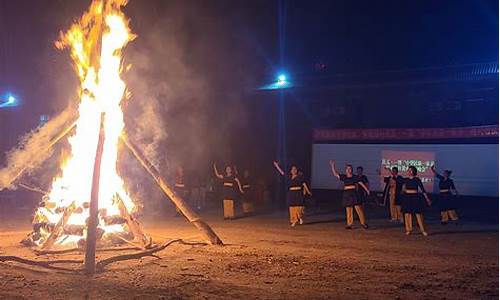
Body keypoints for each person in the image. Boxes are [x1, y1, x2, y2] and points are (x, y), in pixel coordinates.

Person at [330, 161, 369, 230]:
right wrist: (333, 166)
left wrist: (367, 190)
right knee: (348, 209)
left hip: (354, 193)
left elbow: (360, 183)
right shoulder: (344, 177)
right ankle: (349, 224)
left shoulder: (355, 177)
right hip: (347, 194)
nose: (349, 170)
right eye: (347, 169)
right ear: (346, 170)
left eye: (350, 169)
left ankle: (363, 223)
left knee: (359, 208)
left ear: (352, 170)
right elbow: (335, 174)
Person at [273, 161, 312, 227]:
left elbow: (304, 184)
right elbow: (282, 173)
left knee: (298, 206)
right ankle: (294, 220)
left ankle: (299, 218)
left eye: (295, 169)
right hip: (291, 193)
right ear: (291, 171)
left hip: (298, 192)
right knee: (292, 207)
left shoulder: (300, 177)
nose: (294, 170)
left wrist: (308, 191)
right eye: (292, 169)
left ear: (296, 170)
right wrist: (277, 166)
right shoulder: (289, 177)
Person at [401, 166, 432, 236]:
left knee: (418, 214)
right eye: (408, 170)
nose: (409, 172)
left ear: (414, 171)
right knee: (407, 214)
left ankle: (423, 230)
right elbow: (403, 189)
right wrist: (404, 190)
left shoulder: (417, 179)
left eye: (410, 170)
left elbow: (423, 190)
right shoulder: (405, 180)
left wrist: (427, 199)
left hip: (415, 197)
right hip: (407, 197)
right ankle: (408, 229)